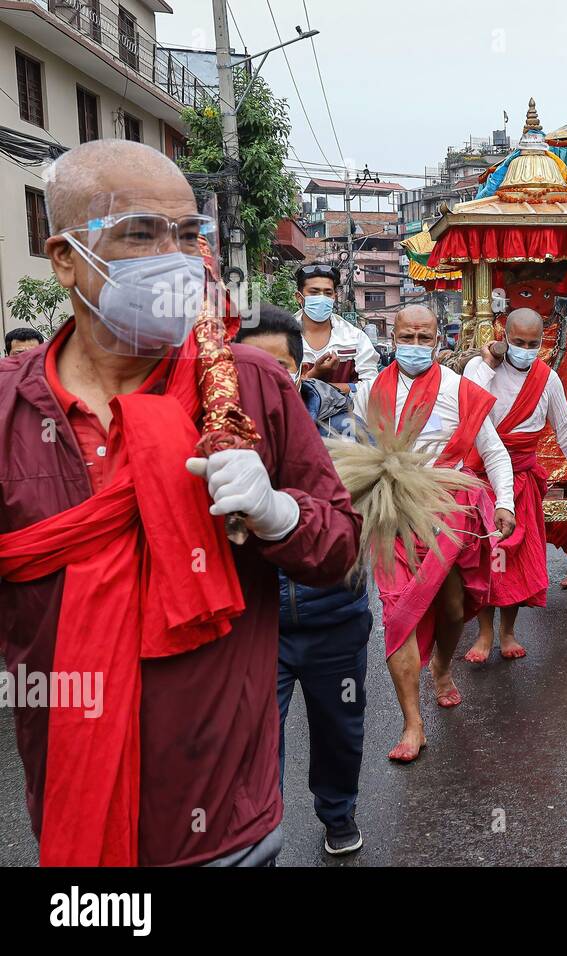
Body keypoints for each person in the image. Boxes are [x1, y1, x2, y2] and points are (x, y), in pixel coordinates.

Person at [0, 140, 360, 866]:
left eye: (189, 233)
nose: (177, 256)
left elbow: (341, 548)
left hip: (228, 817)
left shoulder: (251, 385)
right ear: (65, 258)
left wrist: (281, 516)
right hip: (74, 795)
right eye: (141, 232)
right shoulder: (10, 406)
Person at [353, 304, 516, 762]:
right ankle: (412, 722)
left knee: (452, 605)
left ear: (437, 342)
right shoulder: (367, 391)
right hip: (392, 514)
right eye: (409, 337)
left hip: (449, 511)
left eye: (425, 339)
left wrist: (504, 501)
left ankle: (442, 667)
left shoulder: (457, 390)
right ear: (392, 336)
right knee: (397, 610)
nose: (416, 347)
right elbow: (352, 452)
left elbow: (494, 452)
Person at [235, 306, 370, 857]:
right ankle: (259, 836)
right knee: (253, 741)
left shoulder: (343, 426)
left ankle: (338, 813)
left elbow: (362, 519)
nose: (269, 379)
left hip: (334, 612)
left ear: (300, 368)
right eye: (254, 366)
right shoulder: (215, 436)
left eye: (281, 366)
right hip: (255, 621)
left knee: (341, 727)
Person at [462, 308, 567, 662]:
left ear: (543, 342)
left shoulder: (547, 379)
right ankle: (484, 633)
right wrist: (488, 363)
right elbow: (470, 407)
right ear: (503, 337)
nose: (525, 349)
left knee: (514, 560)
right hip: (484, 481)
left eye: (533, 343)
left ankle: (507, 633)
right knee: (486, 560)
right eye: (518, 342)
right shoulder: (481, 370)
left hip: (522, 481)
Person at [294, 262, 380, 391]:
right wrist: (316, 373)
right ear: (299, 297)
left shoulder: (355, 338)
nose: (321, 298)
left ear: (334, 297)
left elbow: (371, 386)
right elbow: (277, 390)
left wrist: (315, 386)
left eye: (327, 293)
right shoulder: (282, 337)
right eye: (314, 292)